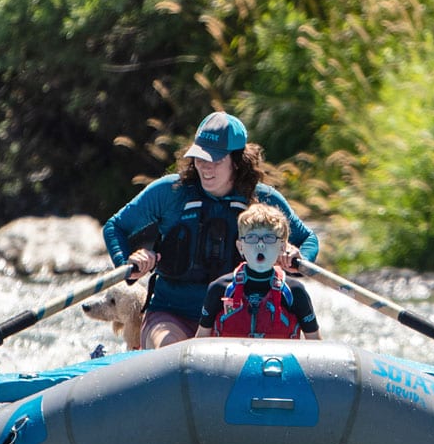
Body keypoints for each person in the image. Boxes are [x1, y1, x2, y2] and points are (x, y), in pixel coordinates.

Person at [102, 111, 320, 349]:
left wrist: (297, 257)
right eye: (200, 158)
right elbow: (116, 226)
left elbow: (308, 239)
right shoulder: (169, 192)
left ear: (237, 162)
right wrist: (128, 267)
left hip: (236, 319)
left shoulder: (264, 200)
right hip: (172, 314)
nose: (206, 167)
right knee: (170, 346)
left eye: (216, 160)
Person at [199, 204, 322, 340]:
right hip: (232, 361)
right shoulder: (220, 288)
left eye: (269, 238)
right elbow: (199, 342)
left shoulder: (294, 292)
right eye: (252, 238)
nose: (260, 245)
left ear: (282, 247)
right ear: (240, 247)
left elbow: (315, 343)